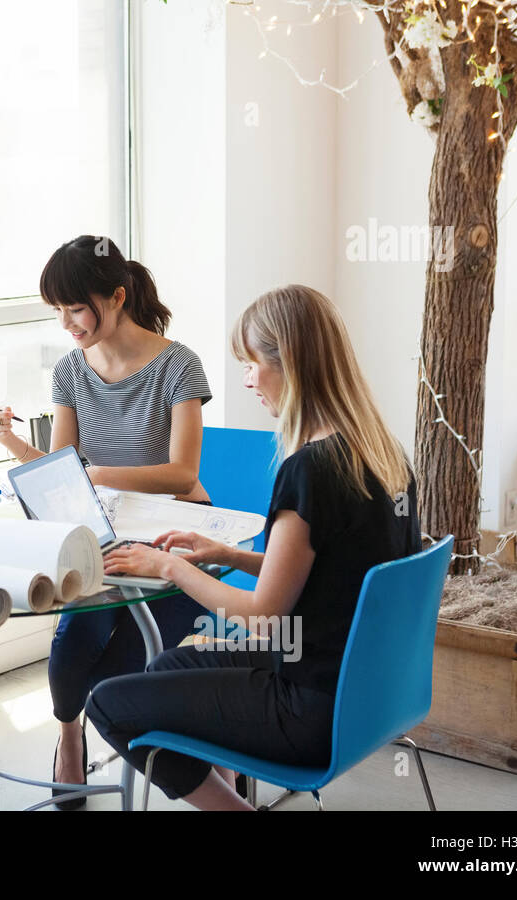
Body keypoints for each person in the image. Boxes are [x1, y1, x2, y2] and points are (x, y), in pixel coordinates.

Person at [87, 284, 422, 810]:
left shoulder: (310, 470)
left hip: (310, 706)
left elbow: (265, 618)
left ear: (289, 363)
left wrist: (169, 567)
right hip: (370, 693)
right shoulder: (383, 452)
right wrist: (228, 555)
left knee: (107, 705)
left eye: (251, 363)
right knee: (166, 668)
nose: (247, 380)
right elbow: (338, 570)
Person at [0, 235, 214, 807]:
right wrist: (10, 439)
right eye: (56, 310)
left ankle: (115, 723)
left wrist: (96, 473)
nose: (65, 323)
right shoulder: (69, 371)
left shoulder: (177, 363)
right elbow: (63, 470)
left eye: (75, 308)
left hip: (174, 534)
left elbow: (182, 474)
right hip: (102, 530)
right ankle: (68, 733)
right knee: (75, 633)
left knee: (129, 658)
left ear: (116, 297)